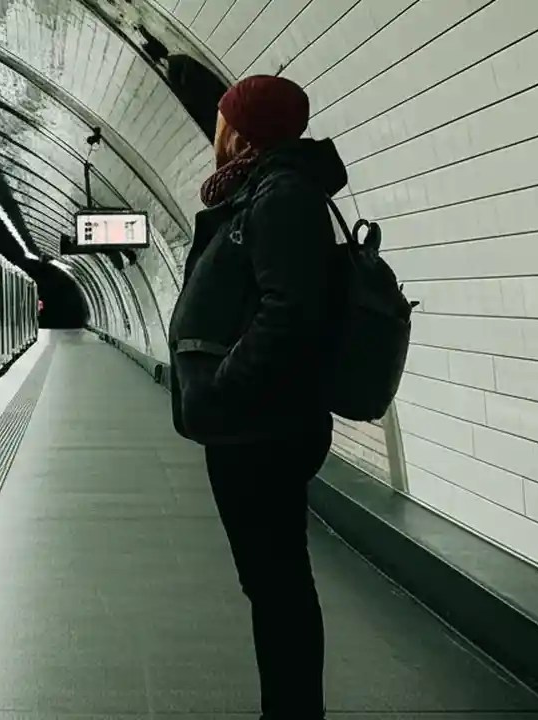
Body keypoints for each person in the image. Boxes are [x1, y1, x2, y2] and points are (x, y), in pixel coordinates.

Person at [166, 75, 348, 719]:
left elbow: (289, 311)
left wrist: (224, 387)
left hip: (261, 427)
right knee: (271, 584)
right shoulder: (264, 191)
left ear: (241, 130)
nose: (216, 132)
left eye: (222, 119)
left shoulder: (281, 195)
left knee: (277, 586)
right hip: (256, 424)